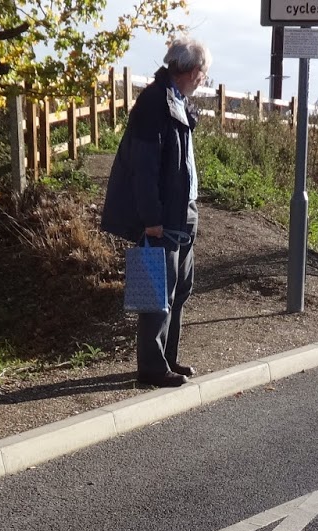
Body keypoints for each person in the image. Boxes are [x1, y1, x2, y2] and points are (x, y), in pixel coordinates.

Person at [101, 39, 211, 388]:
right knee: (157, 291)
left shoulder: (176, 101)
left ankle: (166, 358)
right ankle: (151, 367)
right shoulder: (154, 102)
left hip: (183, 209)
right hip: (163, 214)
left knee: (179, 288)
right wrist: (151, 218)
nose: (203, 79)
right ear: (192, 71)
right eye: (204, 72)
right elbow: (144, 168)